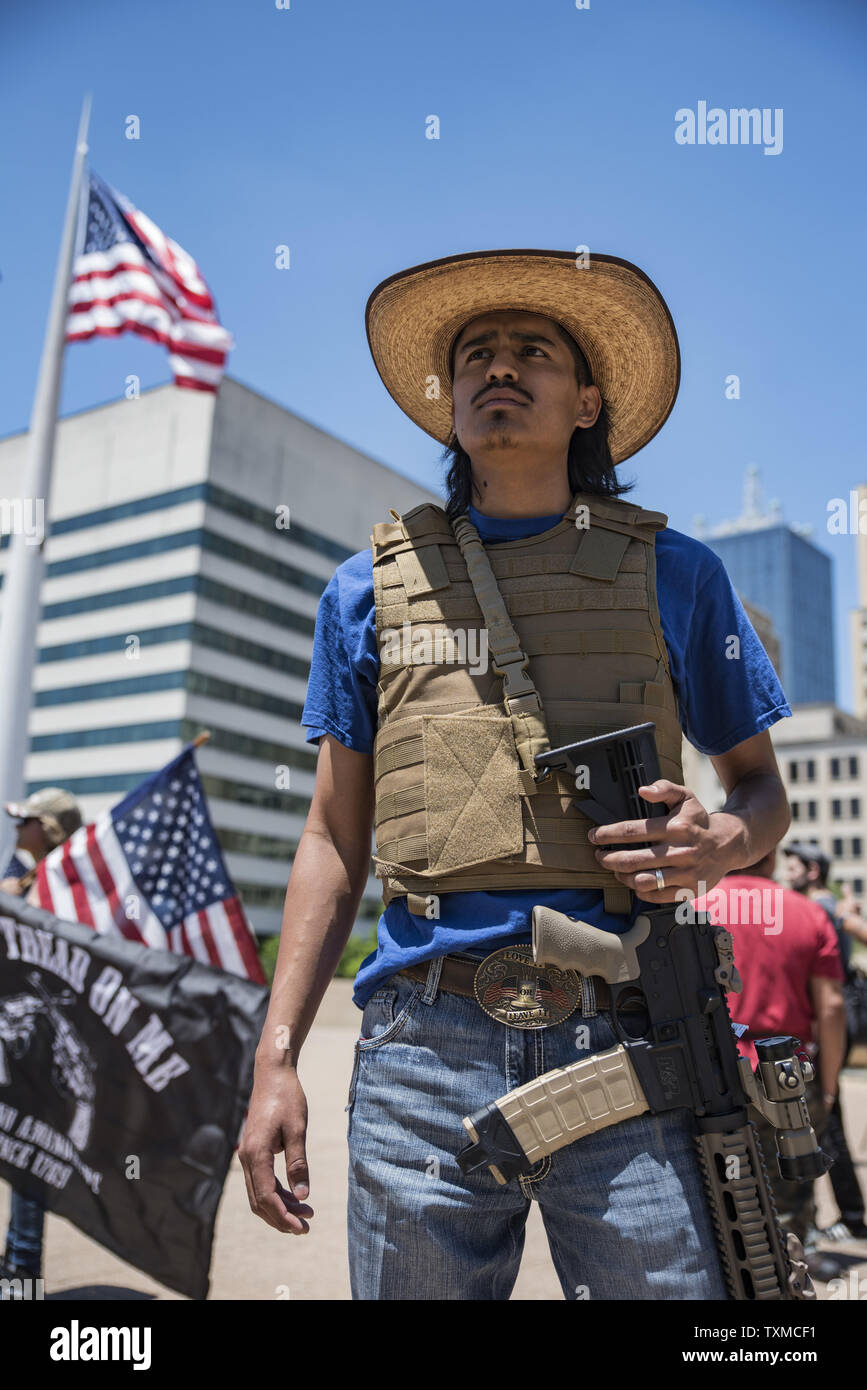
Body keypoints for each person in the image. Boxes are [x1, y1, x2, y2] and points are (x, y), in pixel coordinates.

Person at [240, 248, 793, 1300]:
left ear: (588, 400)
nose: (500, 368)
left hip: (629, 1036)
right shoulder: (360, 594)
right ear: (449, 404)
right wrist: (276, 1058)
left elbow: (763, 792)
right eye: (476, 356)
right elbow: (330, 839)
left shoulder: (681, 573)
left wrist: (722, 841)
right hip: (417, 1049)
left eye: (532, 352)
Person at [694, 848, 847, 1252]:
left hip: (712, 1073)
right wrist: (827, 1087)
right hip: (787, 1075)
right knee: (790, 1191)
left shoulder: (694, 906)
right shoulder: (808, 912)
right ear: (771, 855)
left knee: (714, 1193)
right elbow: (831, 1007)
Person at [0, 788, 83, 1288]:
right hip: (11, 1036)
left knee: (29, 1151)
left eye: (26, 819)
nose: (17, 826)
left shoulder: (71, 886)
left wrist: (18, 903)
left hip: (39, 1048)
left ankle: (22, 1272)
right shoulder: (22, 872)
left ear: (49, 829)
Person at [782, 841, 867, 1241]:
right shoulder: (812, 906)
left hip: (834, 1012)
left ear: (813, 870)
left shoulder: (825, 907)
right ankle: (835, 1219)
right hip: (822, 1013)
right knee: (819, 1118)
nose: (788, 872)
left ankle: (847, 1220)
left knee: (825, 1118)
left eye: (795, 866)